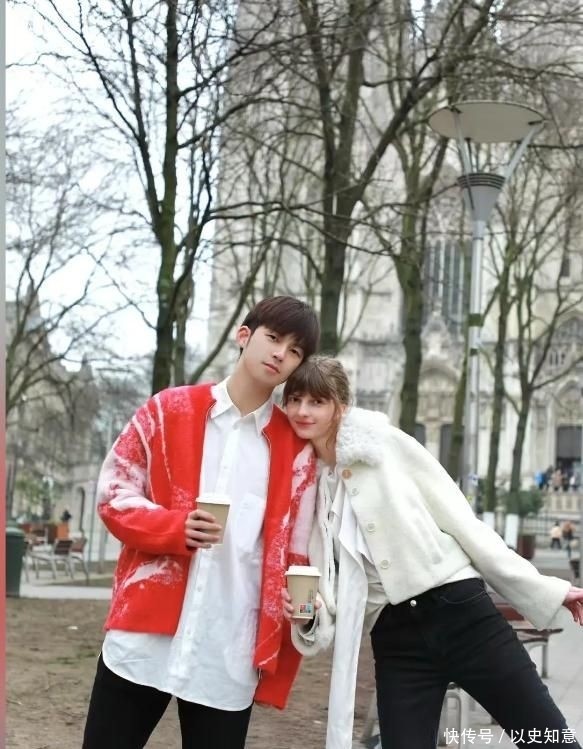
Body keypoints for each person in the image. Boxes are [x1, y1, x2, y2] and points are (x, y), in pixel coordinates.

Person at [280, 356, 583, 749]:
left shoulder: (385, 445)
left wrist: (547, 589)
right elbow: (329, 580)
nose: (303, 411)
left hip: (460, 614)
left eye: (316, 401)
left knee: (548, 739)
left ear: (341, 405)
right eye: (295, 399)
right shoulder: (304, 485)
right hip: (395, 638)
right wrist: (310, 617)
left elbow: (464, 524)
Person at [82, 296, 320, 749]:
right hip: (143, 639)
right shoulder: (168, 409)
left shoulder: (297, 452)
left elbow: (299, 552)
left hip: (228, 651)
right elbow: (114, 492)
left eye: (294, 351)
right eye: (273, 338)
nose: (279, 354)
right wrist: (173, 528)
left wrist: (304, 608)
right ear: (244, 335)